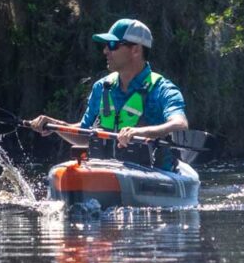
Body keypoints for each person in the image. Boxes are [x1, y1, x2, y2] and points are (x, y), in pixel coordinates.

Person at [29, 18, 188, 170]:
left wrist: (140, 132)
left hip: (153, 174)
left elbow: (180, 124)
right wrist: (56, 126)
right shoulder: (102, 87)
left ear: (136, 50)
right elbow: (85, 134)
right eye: (105, 45)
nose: (105, 50)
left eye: (113, 45)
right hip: (106, 169)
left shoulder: (162, 89)